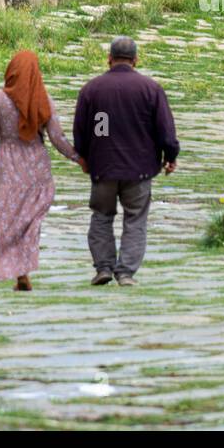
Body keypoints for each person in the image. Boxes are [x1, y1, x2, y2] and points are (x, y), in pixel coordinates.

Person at [0, 50, 80, 292]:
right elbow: (57, 138)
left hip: (8, 167)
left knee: (8, 218)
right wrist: (79, 159)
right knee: (31, 221)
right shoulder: (43, 100)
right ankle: (23, 270)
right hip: (37, 167)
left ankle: (12, 269)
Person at [73, 36, 179, 287]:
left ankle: (103, 268)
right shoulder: (151, 89)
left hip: (103, 168)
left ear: (109, 59)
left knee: (101, 216)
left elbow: (83, 132)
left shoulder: (92, 90)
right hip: (139, 170)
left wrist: (85, 157)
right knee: (135, 220)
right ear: (136, 60)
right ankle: (126, 273)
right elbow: (166, 131)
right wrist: (170, 157)